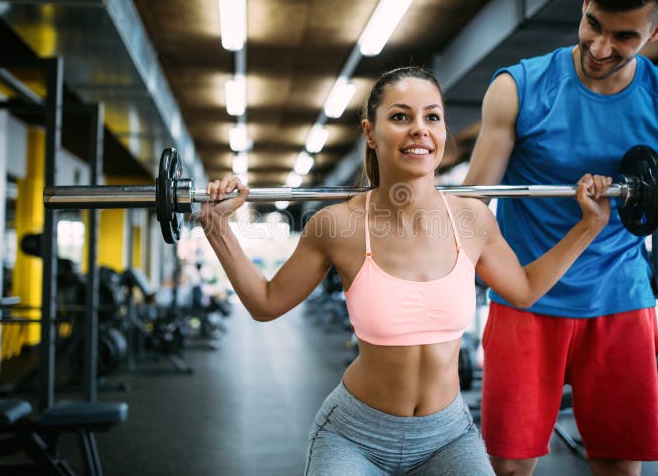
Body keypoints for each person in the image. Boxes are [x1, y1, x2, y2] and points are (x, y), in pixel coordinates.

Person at [200, 66, 612, 475]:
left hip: (447, 435)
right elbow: (266, 303)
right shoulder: (338, 225)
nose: (419, 129)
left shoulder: (471, 220)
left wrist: (589, 226)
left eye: (432, 117)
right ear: (370, 132)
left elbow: (524, 289)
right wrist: (217, 227)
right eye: (400, 116)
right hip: (354, 435)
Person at [464, 0, 658, 475]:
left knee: (619, 464)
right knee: (508, 465)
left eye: (624, 37)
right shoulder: (519, 88)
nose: (599, 47)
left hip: (621, 298)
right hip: (525, 297)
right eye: (593, 24)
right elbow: (473, 207)